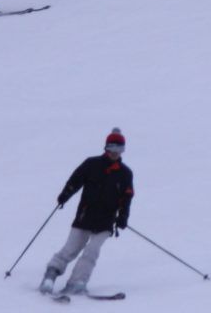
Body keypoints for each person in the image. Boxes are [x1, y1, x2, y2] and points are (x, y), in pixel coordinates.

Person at [40, 128, 134, 298]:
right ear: (106, 147)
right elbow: (75, 180)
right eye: (112, 148)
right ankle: (51, 274)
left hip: (106, 221)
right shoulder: (92, 164)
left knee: (92, 251)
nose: (115, 153)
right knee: (71, 249)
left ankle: (77, 282)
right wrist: (65, 195)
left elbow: (126, 198)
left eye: (119, 149)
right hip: (85, 216)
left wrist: (123, 217)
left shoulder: (125, 174)